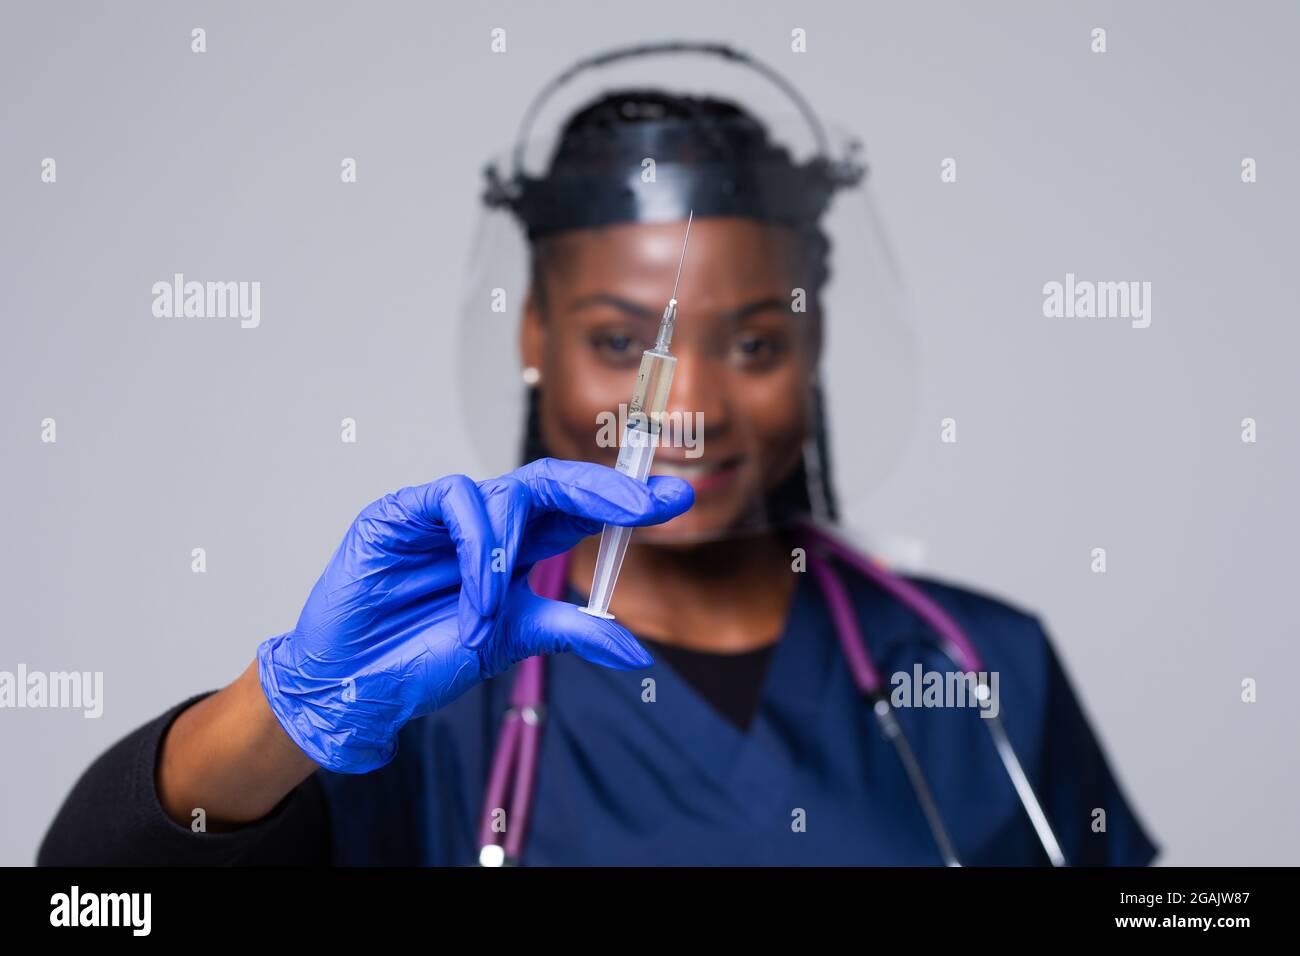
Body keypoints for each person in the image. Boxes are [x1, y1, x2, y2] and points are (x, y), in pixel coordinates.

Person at [38, 67, 1158, 867]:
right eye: (622, 342)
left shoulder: (976, 662)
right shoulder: (429, 680)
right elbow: (89, 900)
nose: (692, 404)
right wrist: (283, 710)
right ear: (533, 334)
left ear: (815, 340)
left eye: (757, 340)